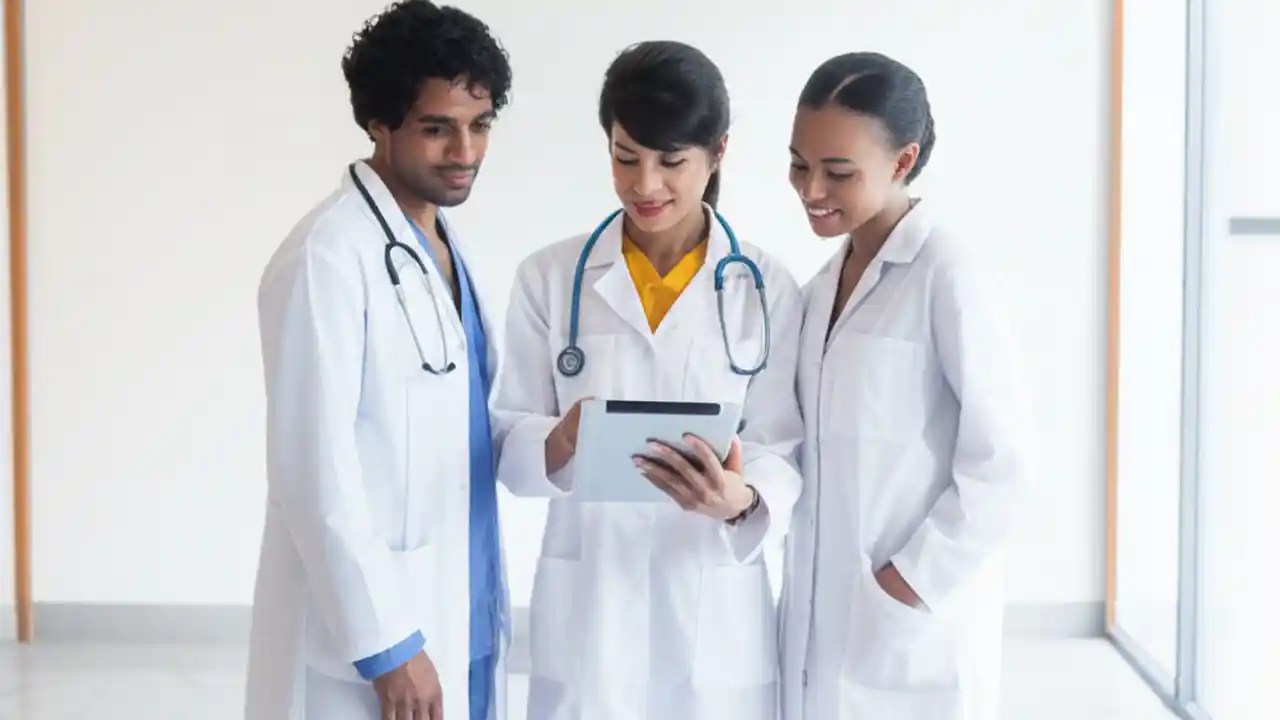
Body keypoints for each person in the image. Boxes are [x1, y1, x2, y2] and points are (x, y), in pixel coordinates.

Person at [490, 41, 804, 720]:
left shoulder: (766, 286)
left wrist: (741, 499)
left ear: (717, 152)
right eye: (625, 157)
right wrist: (563, 439)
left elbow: (782, 445)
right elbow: (510, 439)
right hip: (591, 599)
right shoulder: (549, 280)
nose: (645, 185)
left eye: (671, 161)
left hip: (711, 597)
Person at [245, 2, 513, 718]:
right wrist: (387, 642)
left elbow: (468, 429)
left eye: (479, 124)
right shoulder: (325, 259)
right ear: (379, 125)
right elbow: (311, 470)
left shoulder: (451, 250)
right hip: (377, 640)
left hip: (462, 599)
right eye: (437, 127)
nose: (465, 150)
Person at [777, 52, 1035, 720]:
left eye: (838, 172)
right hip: (821, 612)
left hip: (910, 618)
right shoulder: (817, 291)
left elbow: (1002, 461)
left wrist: (908, 583)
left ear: (902, 162)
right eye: (800, 164)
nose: (811, 190)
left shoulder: (948, 272)